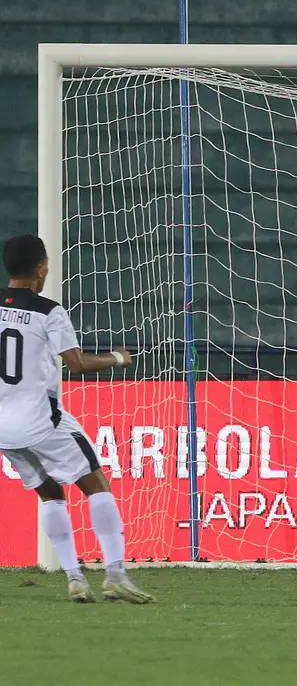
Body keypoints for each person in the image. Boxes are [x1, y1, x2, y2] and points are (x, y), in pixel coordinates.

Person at [0, 234, 154, 603]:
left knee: (50, 495)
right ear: (42, 269)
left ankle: (74, 578)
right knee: (96, 484)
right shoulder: (49, 311)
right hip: (41, 420)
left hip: (4, 428)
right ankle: (115, 574)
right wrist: (119, 358)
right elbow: (77, 364)